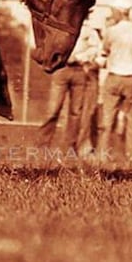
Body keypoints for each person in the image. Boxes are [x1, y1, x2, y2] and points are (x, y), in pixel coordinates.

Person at [36, 18, 96, 158]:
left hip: (79, 70)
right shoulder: (61, 27)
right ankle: (41, 147)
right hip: (61, 69)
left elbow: (95, 48)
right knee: (53, 109)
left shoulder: (89, 30)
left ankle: (68, 148)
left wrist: (81, 57)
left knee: (76, 112)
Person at [97, 0, 132, 162]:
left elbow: (105, 50)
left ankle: (103, 155)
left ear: (119, 12)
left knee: (107, 119)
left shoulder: (112, 32)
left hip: (114, 76)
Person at [72, 16, 103, 157]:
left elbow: (99, 56)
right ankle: (80, 147)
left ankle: (86, 147)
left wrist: (83, 59)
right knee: (82, 113)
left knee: (89, 114)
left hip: (92, 75)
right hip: (86, 75)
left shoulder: (93, 34)